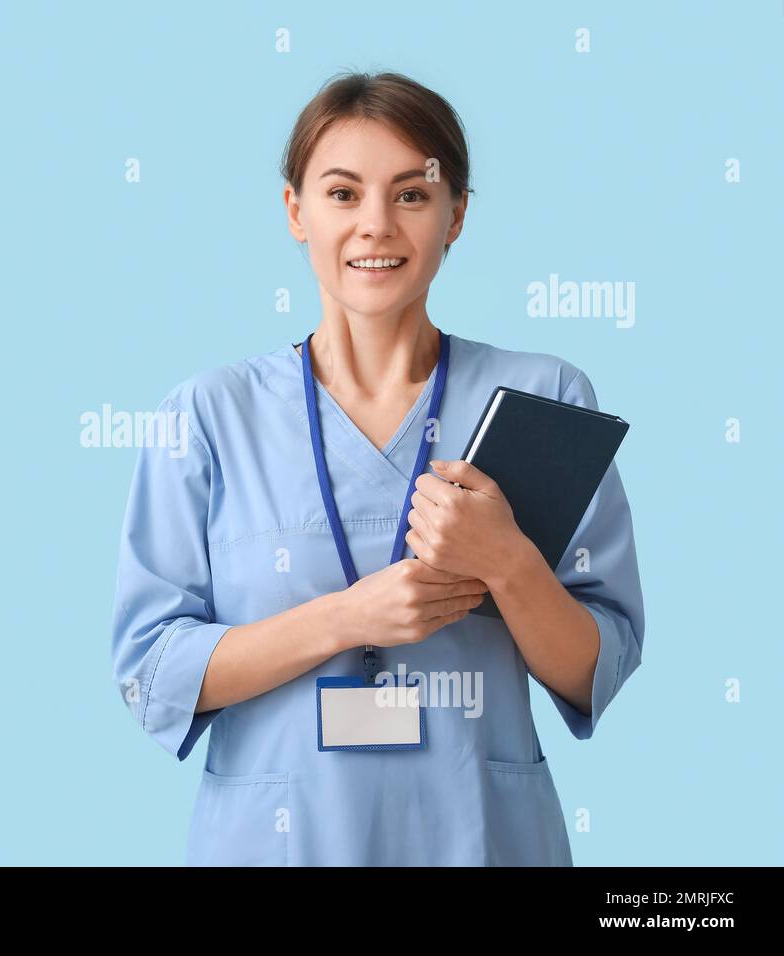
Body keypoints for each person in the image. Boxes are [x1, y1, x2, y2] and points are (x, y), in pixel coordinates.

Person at [108, 71, 644, 866]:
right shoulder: (208, 415)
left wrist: (507, 560)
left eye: (412, 195)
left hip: (481, 837)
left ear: (457, 213)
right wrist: (348, 620)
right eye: (343, 193)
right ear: (296, 212)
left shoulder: (542, 400)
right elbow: (151, 673)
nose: (376, 226)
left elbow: (595, 665)